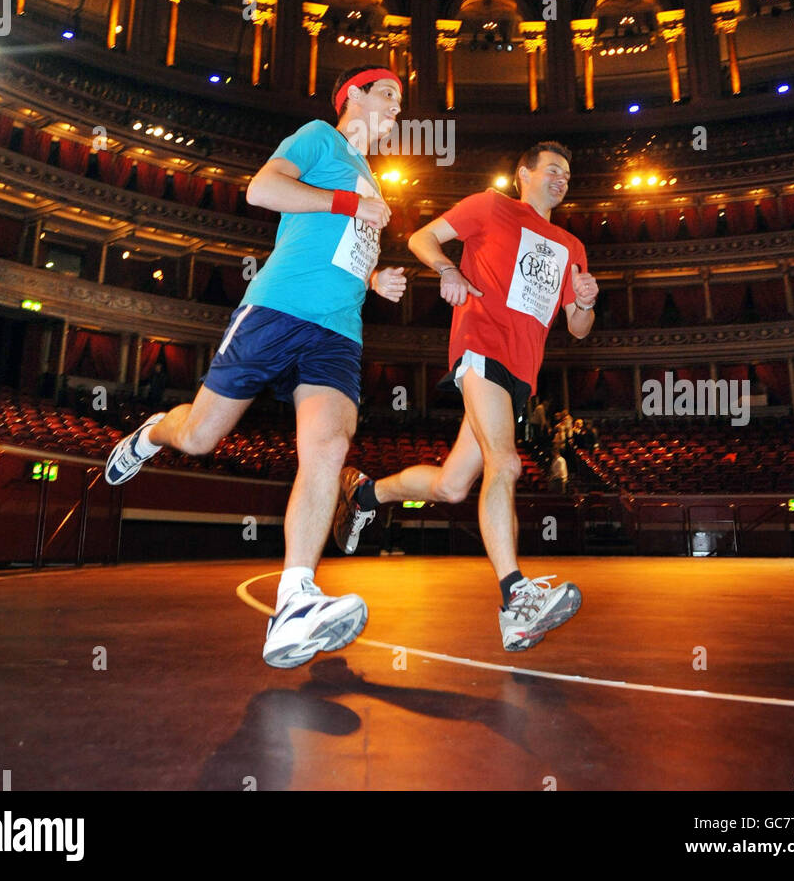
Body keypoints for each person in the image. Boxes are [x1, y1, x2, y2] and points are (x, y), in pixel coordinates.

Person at [104, 65, 408, 668]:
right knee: (199, 437)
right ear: (354, 96)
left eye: (402, 99)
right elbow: (262, 191)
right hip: (277, 309)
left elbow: (338, 247)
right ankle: (154, 431)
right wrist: (349, 201)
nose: (399, 107)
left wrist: (375, 277)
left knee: (330, 445)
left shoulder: (375, 179)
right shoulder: (320, 136)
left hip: (338, 331)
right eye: (389, 94)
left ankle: (296, 599)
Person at [333, 140, 599, 651]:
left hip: (522, 373)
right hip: (482, 348)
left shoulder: (571, 246)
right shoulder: (490, 206)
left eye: (567, 173)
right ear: (523, 172)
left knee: (454, 486)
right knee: (507, 463)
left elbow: (579, 329)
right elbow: (422, 237)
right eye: (552, 170)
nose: (562, 179)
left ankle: (364, 492)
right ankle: (515, 601)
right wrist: (449, 270)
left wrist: (585, 302)